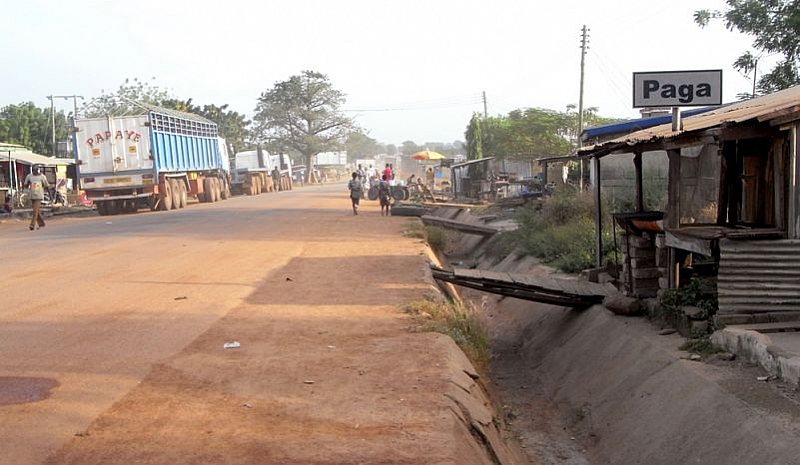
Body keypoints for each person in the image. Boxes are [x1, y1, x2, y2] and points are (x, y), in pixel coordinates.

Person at [24, 164, 50, 230]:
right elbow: (26, 185)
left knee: (35, 211)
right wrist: (27, 185)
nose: (34, 172)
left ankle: (32, 225)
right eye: (33, 170)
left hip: (39, 196)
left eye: (35, 170)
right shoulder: (29, 176)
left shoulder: (42, 177)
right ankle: (42, 223)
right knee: (36, 211)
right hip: (32, 195)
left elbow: (46, 186)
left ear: (38, 170)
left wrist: (50, 196)